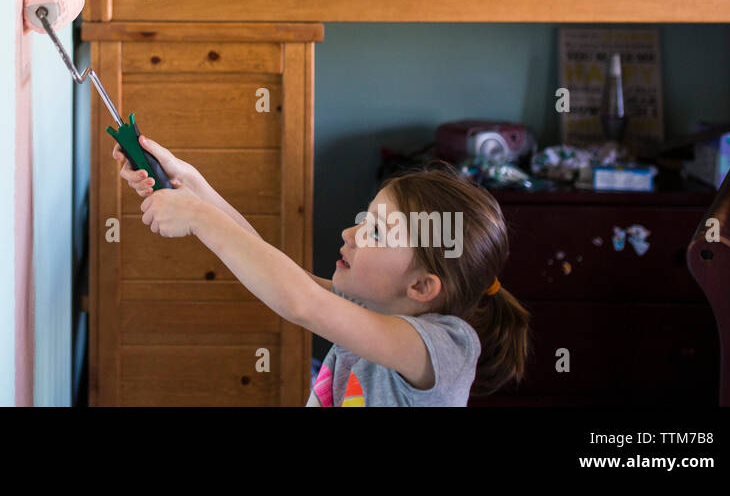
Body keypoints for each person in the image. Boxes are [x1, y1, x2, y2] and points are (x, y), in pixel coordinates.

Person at [115, 136, 529, 406]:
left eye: (377, 233)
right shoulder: (373, 307)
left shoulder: (446, 347)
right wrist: (188, 183)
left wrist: (200, 219)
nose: (351, 233)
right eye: (364, 220)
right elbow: (271, 266)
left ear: (422, 286)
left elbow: (300, 301)